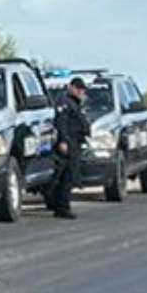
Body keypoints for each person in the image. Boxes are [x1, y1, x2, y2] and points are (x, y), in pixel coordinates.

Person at [45, 75, 89, 221]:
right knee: (66, 177)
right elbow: (62, 123)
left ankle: (60, 205)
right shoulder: (64, 102)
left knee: (69, 176)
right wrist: (63, 141)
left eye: (82, 89)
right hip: (68, 143)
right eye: (78, 89)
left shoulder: (75, 102)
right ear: (71, 87)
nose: (80, 92)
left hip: (74, 142)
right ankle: (62, 207)